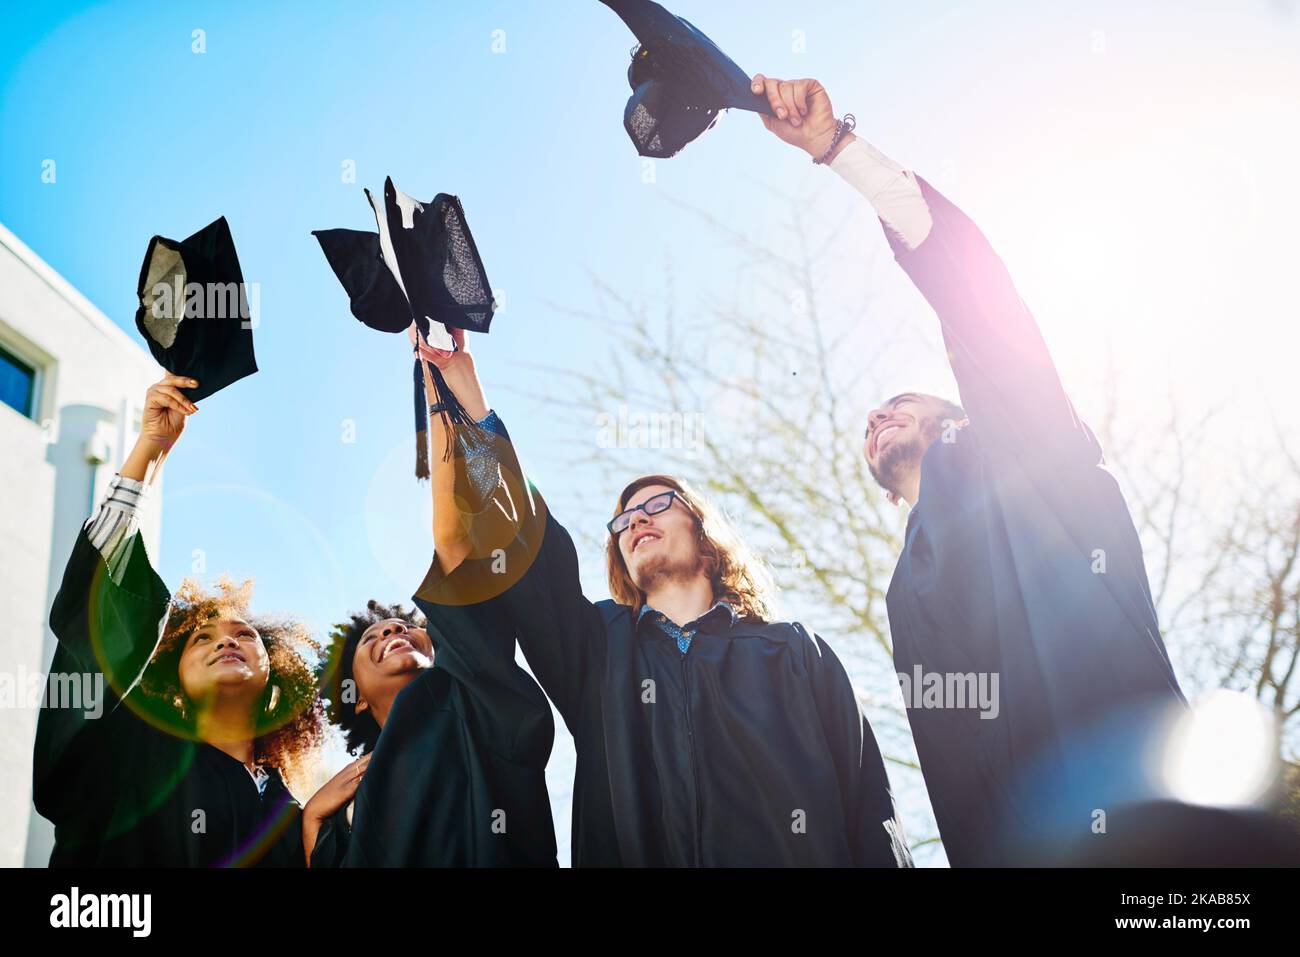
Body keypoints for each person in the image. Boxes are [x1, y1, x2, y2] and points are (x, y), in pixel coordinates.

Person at [750, 73, 1187, 864]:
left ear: (960, 411)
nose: (877, 416)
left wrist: (836, 148)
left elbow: (975, 290)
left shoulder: (1024, 449)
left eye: (898, 401)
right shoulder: (904, 592)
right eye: (868, 421)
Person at [411, 329, 912, 867]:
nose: (636, 520)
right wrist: (469, 400)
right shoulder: (597, 652)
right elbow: (525, 543)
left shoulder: (792, 652)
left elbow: (869, 810)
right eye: (623, 519)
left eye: (657, 504)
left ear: (703, 530)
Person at [34, 374, 325, 867]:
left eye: (244, 634)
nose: (224, 641)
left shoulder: (294, 813)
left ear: (275, 673)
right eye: (202, 638)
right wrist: (150, 451)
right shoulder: (129, 753)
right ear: (172, 675)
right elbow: (97, 617)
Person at [302, 378, 557, 867]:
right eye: (373, 639)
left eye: (401, 627)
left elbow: (454, 542)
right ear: (352, 698)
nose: (393, 632)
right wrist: (313, 819)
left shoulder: (474, 698)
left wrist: (439, 389)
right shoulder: (344, 806)